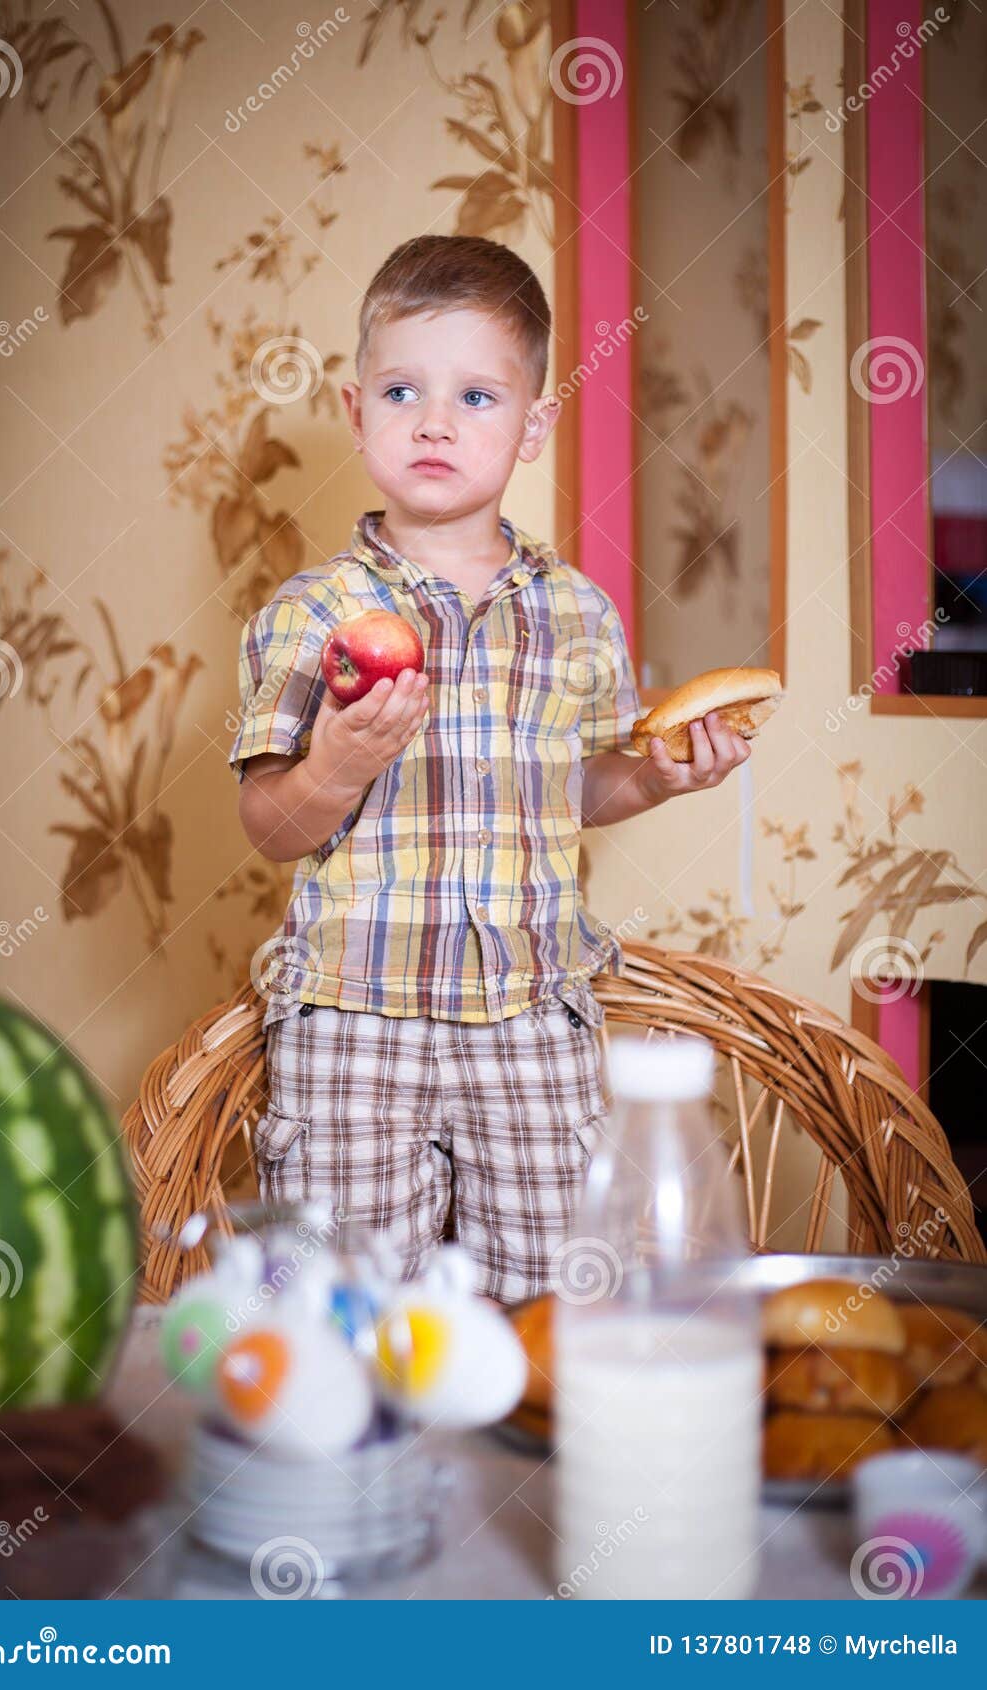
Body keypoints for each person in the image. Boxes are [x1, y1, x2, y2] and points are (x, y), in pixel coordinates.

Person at [230, 234, 751, 1304]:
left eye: (475, 395)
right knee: (341, 1310)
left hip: (529, 1013)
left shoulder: (576, 614)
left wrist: (653, 779)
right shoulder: (313, 613)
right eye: (401, 389)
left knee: (555, 1306)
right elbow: (271, 824)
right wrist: (335, 762)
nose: (432, 420)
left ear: (532, 426)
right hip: (353, 1017)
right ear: (353, 407)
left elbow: (568, 792)